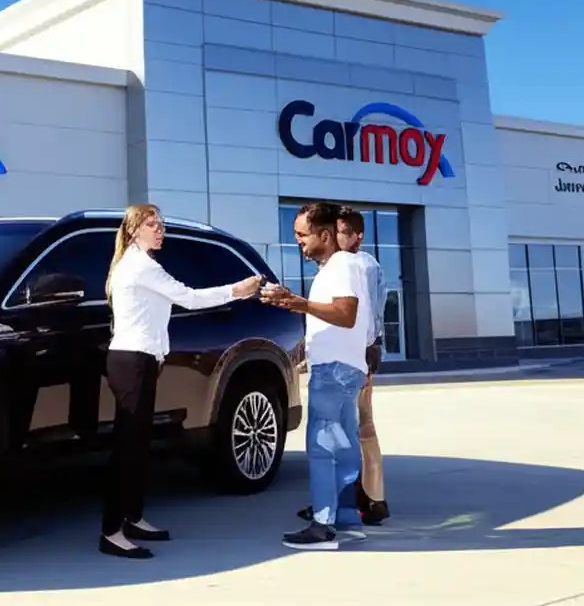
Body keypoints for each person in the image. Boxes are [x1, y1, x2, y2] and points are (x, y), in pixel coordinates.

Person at [99, 203, 263, 558]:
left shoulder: (139, 264)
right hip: (132, 361)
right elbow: (189, 299)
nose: (160, 230)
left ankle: (133, 517)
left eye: (161, 224)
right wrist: (238, 289)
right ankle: (112, 532)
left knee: (138, 444)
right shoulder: (140, 267)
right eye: (152, 224)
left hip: (139, 359)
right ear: (134, 230)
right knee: (127, 447)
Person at [261, 202, 371, 550]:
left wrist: (298, 303)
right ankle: (347, 519)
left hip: (335, 372)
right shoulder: (346, 265)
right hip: (345, 366)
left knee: (322, 446)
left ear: (325, 235)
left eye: (302, 235)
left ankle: (322, 526)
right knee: (344, 444)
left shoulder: (339, 265)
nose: (298, 242)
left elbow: (345, 313)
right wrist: (308, 347)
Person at [295, 206, 391, 525]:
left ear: (355, 235)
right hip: (350, 358)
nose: (337, 236)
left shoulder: (356, 264)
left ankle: (364, 503)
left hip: (352, 360)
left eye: (342, 231)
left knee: (350, 435)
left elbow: (360, 312)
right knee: (347, 436)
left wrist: (373, 346)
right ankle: (347, 511)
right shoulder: (339, 265)